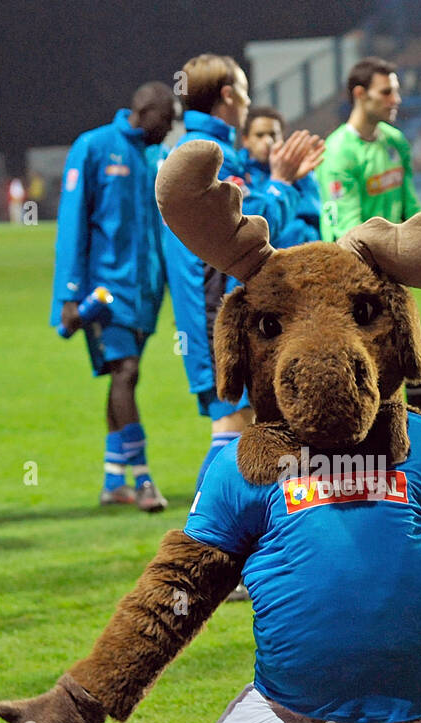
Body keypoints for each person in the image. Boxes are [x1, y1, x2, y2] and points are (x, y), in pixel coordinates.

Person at [162, 54, 323, 495]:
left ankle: (233, 538)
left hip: (210, 308)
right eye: (246, 90)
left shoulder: (192, 151)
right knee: (231, 425)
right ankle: (202, 535)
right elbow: (245, 231)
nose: (251, 101)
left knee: (244, 425)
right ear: (229, 95)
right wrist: (282, 182)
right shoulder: (207, 157)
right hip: (215, 312)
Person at [51, 81, 175, 511]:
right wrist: (69, 294)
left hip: (145, 291)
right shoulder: (94, 147)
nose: (171, 127)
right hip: (104, 292)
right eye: (166, 118)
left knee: (123, 375)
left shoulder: (158, 157)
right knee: (126, 371)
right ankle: (143, 480)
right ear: (143, 110)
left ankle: (111, 480)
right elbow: (72, 222)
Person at [317, 56, 421, 419]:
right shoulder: (338, 153)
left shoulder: (395, 143)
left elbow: (410, 209)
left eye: (396, 91)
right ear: (360, 94)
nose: (396, 99)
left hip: (392, 283)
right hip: (354, 288)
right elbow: (346, 233)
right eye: (387, 92)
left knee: (416, 385)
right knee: (372, 391)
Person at [239, 106, 320, 247]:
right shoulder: (238, 172)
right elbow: (254, 229)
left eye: (273, 134)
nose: (268, 141)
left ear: (282, 136)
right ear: (245, 140)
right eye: (259, 135)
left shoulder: (299, 170)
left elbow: (315, 218)